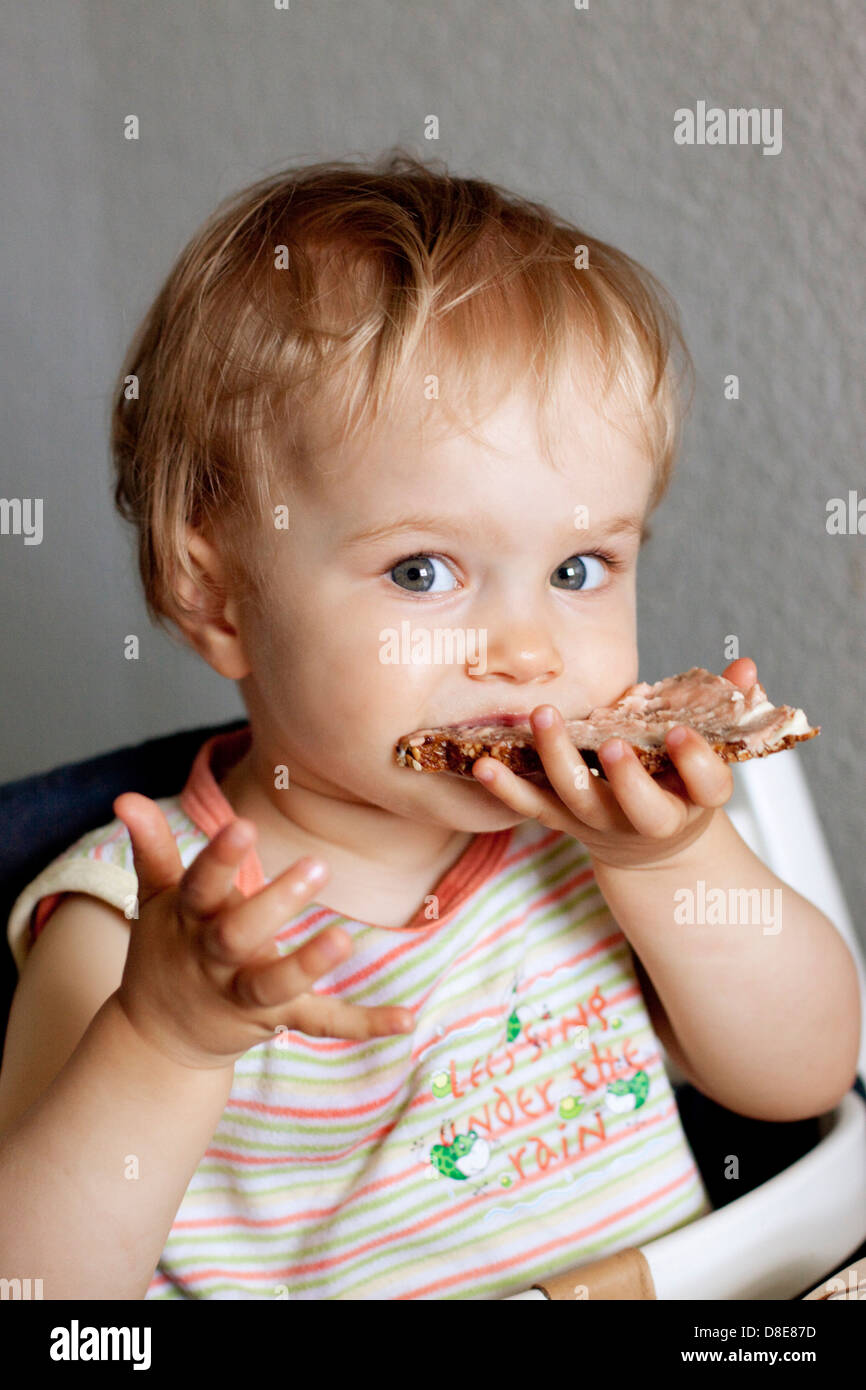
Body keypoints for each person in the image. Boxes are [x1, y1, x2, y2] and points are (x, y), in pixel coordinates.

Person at [1, 151, 860, 1300]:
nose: (527, 649)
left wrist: (669, 859)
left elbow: (800, 1083)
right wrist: (165, 1041)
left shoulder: (600, 842)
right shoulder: (141, 925)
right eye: (421, 568)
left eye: (576, 565)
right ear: (218, 596)